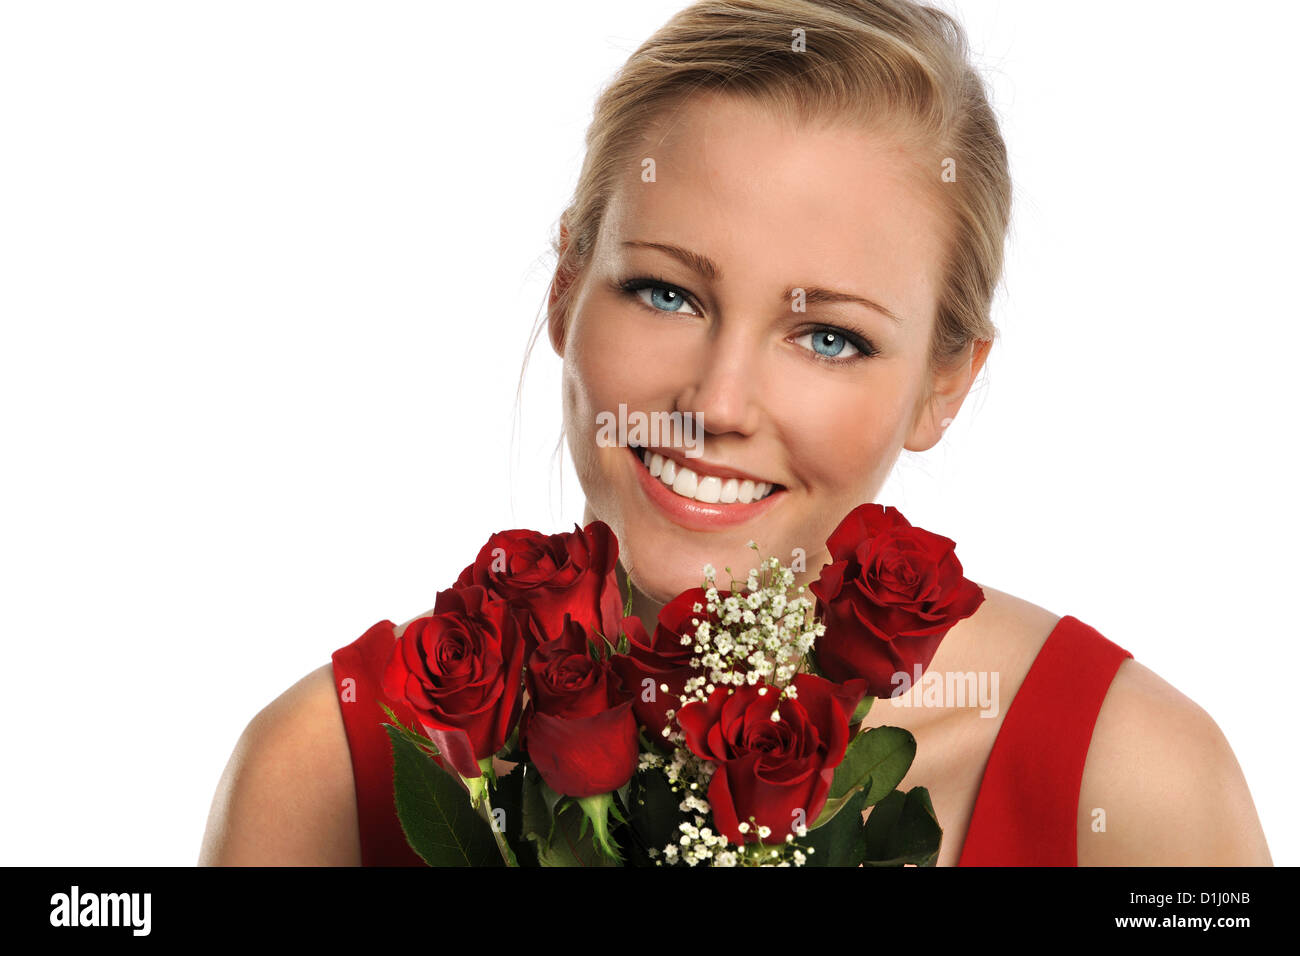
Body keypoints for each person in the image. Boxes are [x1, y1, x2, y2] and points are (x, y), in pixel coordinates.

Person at [199, 0, 1271, 866]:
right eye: (666, 293)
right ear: (567, 285)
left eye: (829, 336)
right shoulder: (324, 772)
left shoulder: (1129, 779)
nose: (717, 401)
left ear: (947, 382)